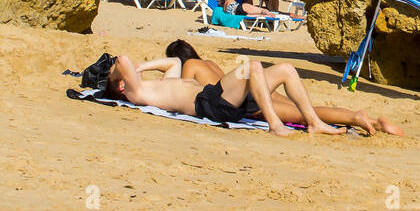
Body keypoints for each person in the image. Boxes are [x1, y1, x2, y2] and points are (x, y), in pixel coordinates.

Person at [161, 40, 402, 135]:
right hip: (256, 86)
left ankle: (357, 118)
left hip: (248, 100)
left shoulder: (189, 65)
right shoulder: (209, 62)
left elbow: (185, 90)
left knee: (303, 114)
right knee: (306, 107)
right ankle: (373, 121)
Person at [105, 53, 343, 138]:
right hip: (209, 105)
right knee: (252, 67)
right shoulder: (138, 93)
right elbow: (122, 60)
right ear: (121, 85)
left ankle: (315, 123)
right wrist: (116, 76)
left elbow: (174, 61)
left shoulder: (160, 84)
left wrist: (142, 68)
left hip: (217, 98)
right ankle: (275, 125)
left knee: (286, 70)